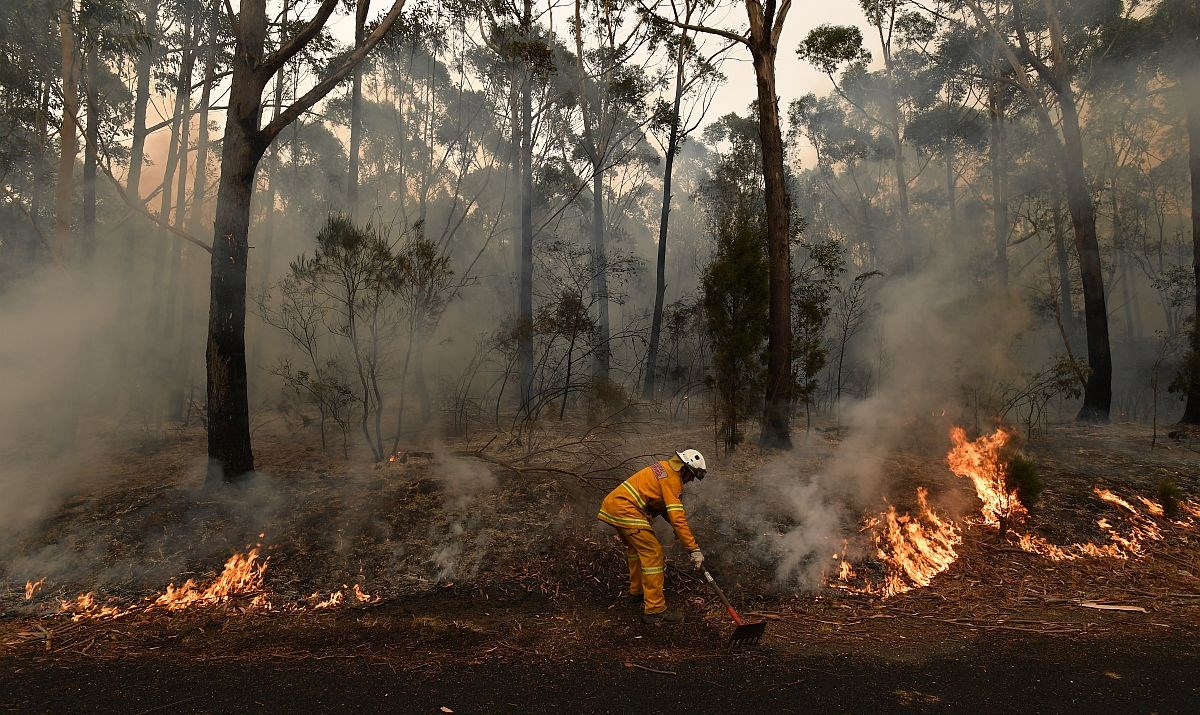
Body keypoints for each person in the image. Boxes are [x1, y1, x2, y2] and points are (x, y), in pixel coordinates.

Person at [597, 449, 707, 624]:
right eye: (692, 475)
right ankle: (655, 610)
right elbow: (677, 517)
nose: (692, 480)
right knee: (653, 552)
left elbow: (661, 506)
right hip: (627, 509)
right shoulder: (673, 479)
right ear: (684, 468)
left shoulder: (663, 468)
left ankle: (637, 593)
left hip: (615, 504)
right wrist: (694, 549)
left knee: (635, 549)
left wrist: (676, 529)